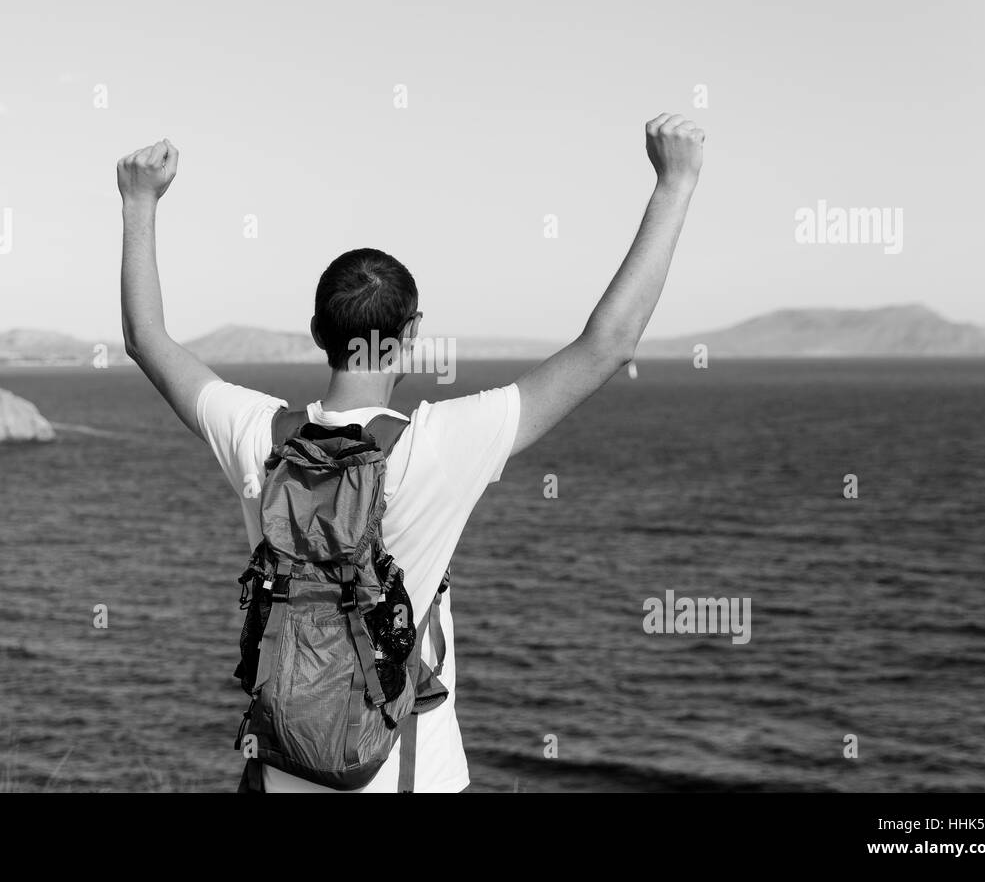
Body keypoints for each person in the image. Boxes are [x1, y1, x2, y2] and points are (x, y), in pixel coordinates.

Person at [118, 114, 704, 791]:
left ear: (317, 332)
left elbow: (145, 338)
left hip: (280, 773)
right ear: (412, 333)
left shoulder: (260, 437)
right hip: (409, 776)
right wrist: (675, 183)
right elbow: (608, 345)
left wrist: (139, 201)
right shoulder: (440, 445)